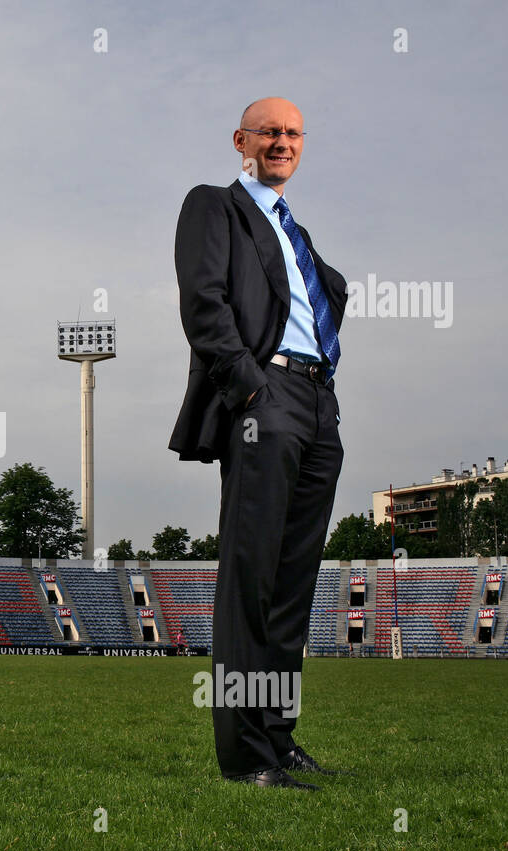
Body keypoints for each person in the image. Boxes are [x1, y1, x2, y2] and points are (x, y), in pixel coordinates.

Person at [169, 97, 349, 790]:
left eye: (293, 132)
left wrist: (320, 394)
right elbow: (202, 303)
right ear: (241, 140)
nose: (281, 141)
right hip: (263, 398)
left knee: (290, 589)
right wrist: (250, 389)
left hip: (317, 405)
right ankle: (247, 758)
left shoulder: (294, 231)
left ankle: (278, 737)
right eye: (269, 131)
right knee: (251, 582)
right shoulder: (215, 205)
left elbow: (317, 302)